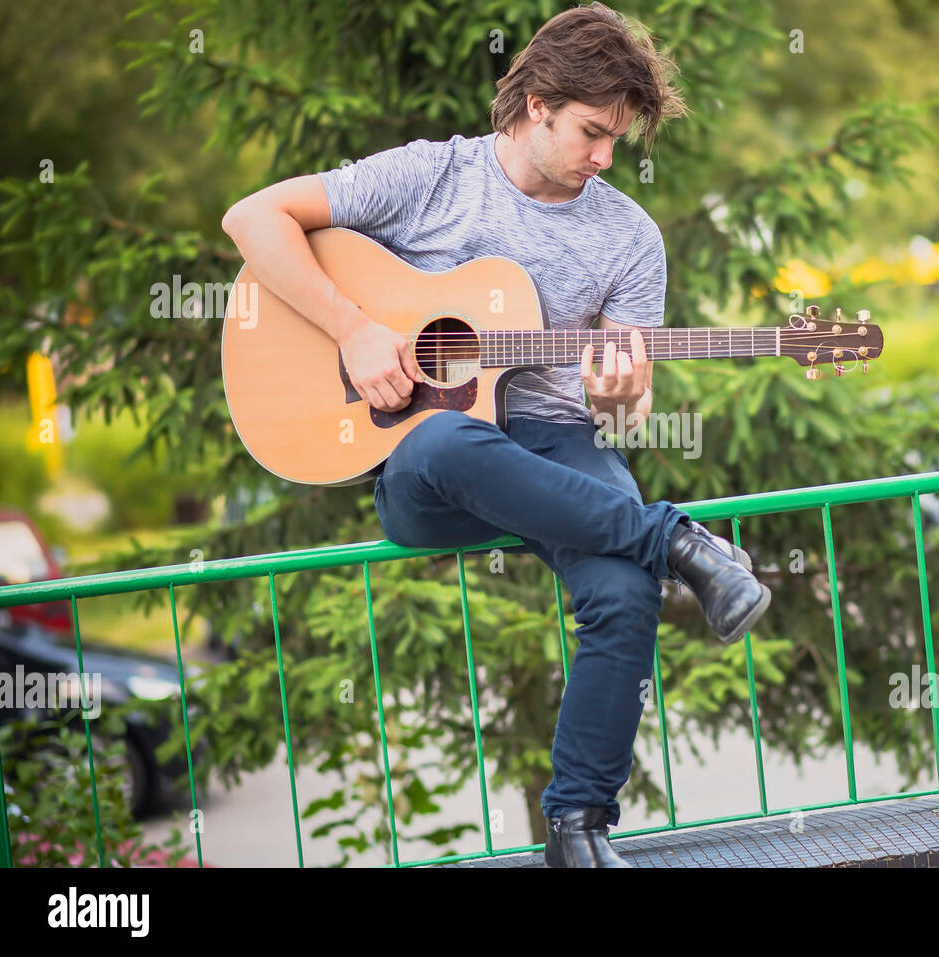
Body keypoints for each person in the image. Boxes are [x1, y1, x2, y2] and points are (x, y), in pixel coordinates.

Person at [221, 2, 771, 868]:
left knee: (624, 594)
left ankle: (578, 829)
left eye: (617, 141)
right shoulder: (431, 176)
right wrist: (358, 330)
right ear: (537, 103)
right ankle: (682, 540)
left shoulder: (630, 236)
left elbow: (623, 416)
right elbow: (251, 219)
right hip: (432, 465)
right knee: (440, 440)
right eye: (592, 132)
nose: (604, 158)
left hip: (559, 445)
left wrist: (622, 395)